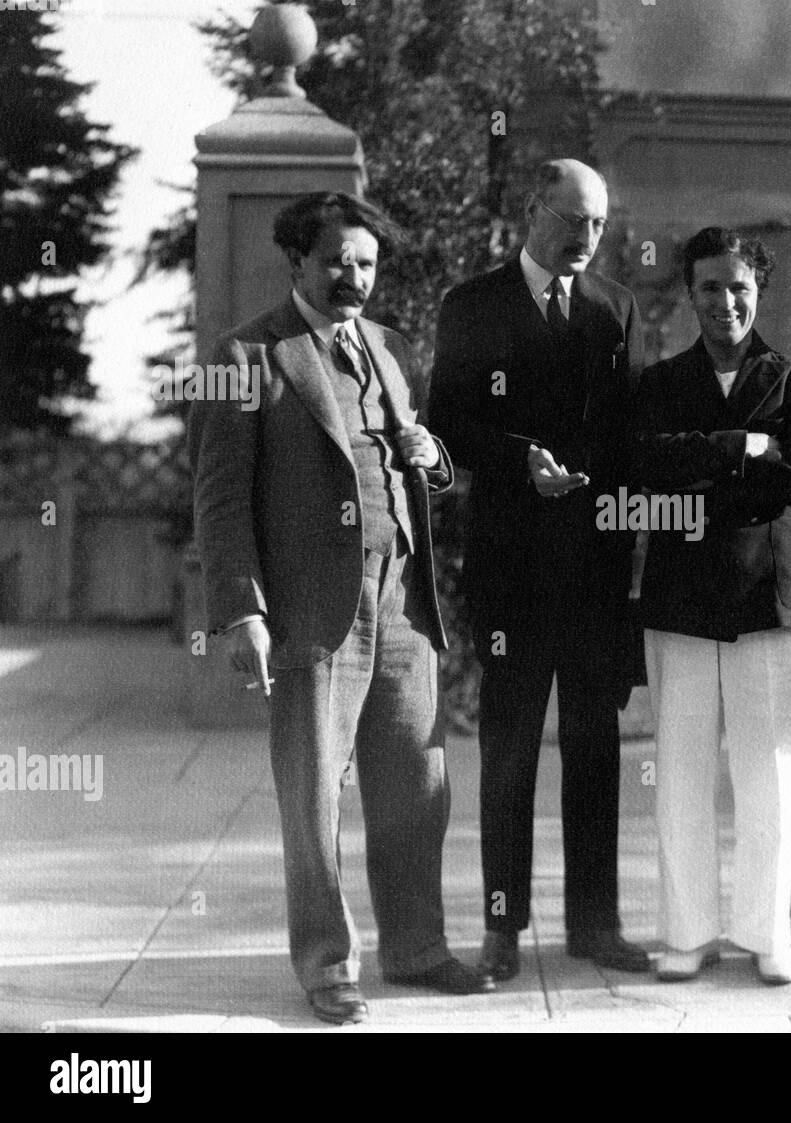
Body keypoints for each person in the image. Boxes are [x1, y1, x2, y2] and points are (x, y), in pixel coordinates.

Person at [189, 192, 492, 1026]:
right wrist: (241, 613)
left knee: (416, 785)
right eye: (336, 262)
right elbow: (218, 502)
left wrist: (432, 458)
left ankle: (418, 949)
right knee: (313, 795)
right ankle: (327, 966)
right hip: (309, 609)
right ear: (298, 261)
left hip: (401, 602)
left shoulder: (391, 349)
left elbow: (412, 461)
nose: (353, 277)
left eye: (365, 262)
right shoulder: (245, 355)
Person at [428, 159, 649, 982]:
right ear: (533, 212)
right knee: (510, 751)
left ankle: (596, 922)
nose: (587, 239)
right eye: (573, 221)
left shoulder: (615, 307)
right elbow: (444, 426)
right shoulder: (474, 306)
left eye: (598, 225)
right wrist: (521, 460)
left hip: (594, 571)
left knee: (595, 750)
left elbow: (626, 440)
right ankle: (501, 928)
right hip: (512, 571)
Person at [631, 227, 791, 985]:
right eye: (710, 287)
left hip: (766, 602)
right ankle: (686, 933)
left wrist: (719, 461)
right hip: (682, 602)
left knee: (769, 776)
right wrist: (739, 449)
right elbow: (649, 466)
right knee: (679, 771)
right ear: (691, 293)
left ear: (760, 290)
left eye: (739, 286)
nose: (725, 301)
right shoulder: (661, 382)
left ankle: (767, 931)